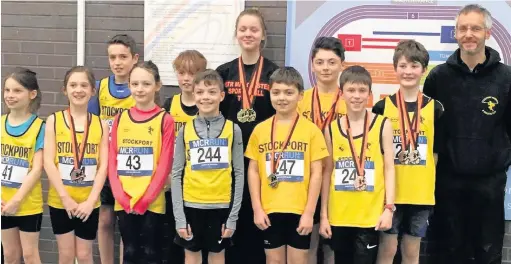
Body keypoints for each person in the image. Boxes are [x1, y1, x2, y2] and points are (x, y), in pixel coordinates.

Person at [423, 4, 511, 264]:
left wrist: (498, 159)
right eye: (463, 28)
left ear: (488, 32)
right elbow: (429, 131)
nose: (468, 34)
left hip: (490, 184)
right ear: (456, 33)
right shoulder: (438, 77)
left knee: (488, 253)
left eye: (475, 28)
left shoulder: (506, 78)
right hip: (448, 182)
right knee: (448, 252)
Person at [245, 67, 329, 264]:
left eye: (288, 92)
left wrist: (309, 213)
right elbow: (253, 170)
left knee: (298, 261)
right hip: (269, 209)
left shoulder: (311, 131)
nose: (282, 98)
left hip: (299, 210)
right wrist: (257, 208)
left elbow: (317, 173)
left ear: (300, 96)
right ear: (269, 94)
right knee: (273, 261)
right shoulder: (260, 130)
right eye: (276, 92)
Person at [216, 7, 279, 264]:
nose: (248, 34)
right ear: (236, 34)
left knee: (259, 222)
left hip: (262, 162)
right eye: (243, 29)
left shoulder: (274, 74)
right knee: (232, 222)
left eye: (254, 29)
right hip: (229, 162)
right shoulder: (223, 73)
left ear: (263, 35)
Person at [373, 40, 444, 264]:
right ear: (395, 69)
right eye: (403, 65)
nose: (408, 71)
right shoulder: (382, 108)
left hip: (420, 194)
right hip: (390, 195)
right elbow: (378, 154)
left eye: (414, 66)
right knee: (387, 249)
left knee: (412, 252)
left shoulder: (436, 108)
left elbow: (435, 153)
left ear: (424, 70)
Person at [319, 66, 395, 264]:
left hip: (369, 216)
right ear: (341, 93)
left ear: (369, 94)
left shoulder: (382, 125)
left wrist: (389, 208)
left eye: (362, 91)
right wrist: (324, 215)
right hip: (339, 215)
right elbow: (327, 173)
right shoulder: (331, 129)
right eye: (351, 90)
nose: (356, 96)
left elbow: (389, 168)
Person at [171, 69, 244, 264]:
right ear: (193, 95)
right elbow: (176, 174)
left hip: (221, 206)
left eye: (211, 92)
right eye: (200, 92)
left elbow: (239, 174)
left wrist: (232, 217)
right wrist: (179, 217)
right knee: (191, 258)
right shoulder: (185, 130)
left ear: (221, 96)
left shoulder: (233, 129)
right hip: (190, 205)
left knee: (217, 257)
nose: (205, 97)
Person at [108, 61, 175, 264]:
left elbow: (164, 163)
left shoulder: (165, 119)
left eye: (146, 84)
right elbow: (113, 160)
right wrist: (120, 194)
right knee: (129, 252)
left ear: (157, 85)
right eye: (135, 84)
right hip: (125, 199)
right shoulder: (120, 119)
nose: (140, 89)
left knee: (150, 253)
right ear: (129, 86)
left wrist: (147, 198)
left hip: (151, 200)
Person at [44, 66, 109, 264]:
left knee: (84, 255)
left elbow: (103, 166)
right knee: (65, 255)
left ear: (92, 90)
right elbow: (48, 161)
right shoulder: (53, 121)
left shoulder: (101, 124)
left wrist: (91, 201)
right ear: (65, 90)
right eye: (73, 85)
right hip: (61, 200)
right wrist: (65, 198)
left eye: (83, 85)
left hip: (88, 202)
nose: (78, 90)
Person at [87, 34, 139, 264]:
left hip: (130, 164)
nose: (117, 62)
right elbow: (90, 125)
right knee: (105, 220)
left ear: (134, 59)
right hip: (105, 164)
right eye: (112, 57)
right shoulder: (100, 89)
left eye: (123, 57)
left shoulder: (139, 88)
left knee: (127, 221)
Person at [297, 36, 346, 264]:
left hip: (339, 181)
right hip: (307, 181)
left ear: (341, 65)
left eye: (331, 62)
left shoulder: (351, 100)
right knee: (308, 244)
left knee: (332, 249)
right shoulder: (300, 100)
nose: (325, 68)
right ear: (312, 65)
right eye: (320, 62)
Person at [162, 49, 207, 264]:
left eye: (192, 73)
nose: (186, 78)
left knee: (198, 241)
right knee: (173, 241)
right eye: (181, 73)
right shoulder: (169, 105)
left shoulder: (208, 107)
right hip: (173, 183)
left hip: (200, 186)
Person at [1, 68, 45, 264]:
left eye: (17, 91)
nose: (10, 95)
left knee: (30, 255)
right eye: (7, 90)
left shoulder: (39, 127)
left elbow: (37, 169)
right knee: (9, 255)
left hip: (27, 204)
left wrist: (17, 200)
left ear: (32, 94)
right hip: (3, 203)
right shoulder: (0, 123)